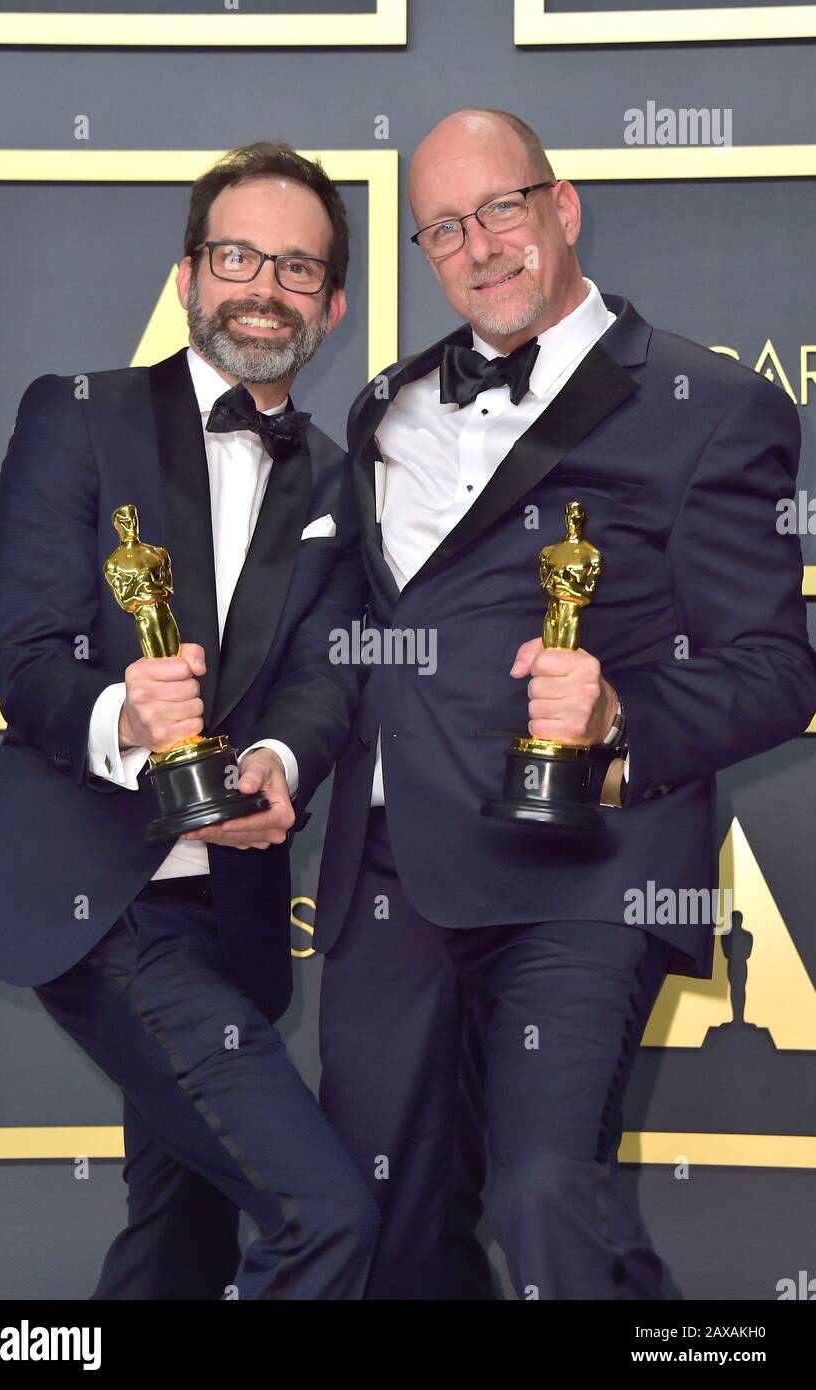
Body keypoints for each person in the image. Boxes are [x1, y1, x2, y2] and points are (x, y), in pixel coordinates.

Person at [311, 108, 816, 1300]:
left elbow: (778, 668)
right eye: (444, 227)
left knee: (546, 1197)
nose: (478, 246)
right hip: (392, 873)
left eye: (500, 208)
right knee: (379, 1215)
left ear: (562, 205)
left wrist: (621, 713)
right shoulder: (384, 407)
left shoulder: (709, 405)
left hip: (583, 871)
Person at [0, 141, 377, 1300]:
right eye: (237, 254)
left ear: (332, 305)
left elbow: (327, 677)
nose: (263, 287)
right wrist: (122, 717)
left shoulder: (340, 483)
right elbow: (23, 655)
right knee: (324, 1211)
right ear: (188, 275)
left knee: (180, 1238)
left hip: (231, 919)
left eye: (296, 267)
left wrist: (282, 761)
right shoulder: (75, 416)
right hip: (106, 905)